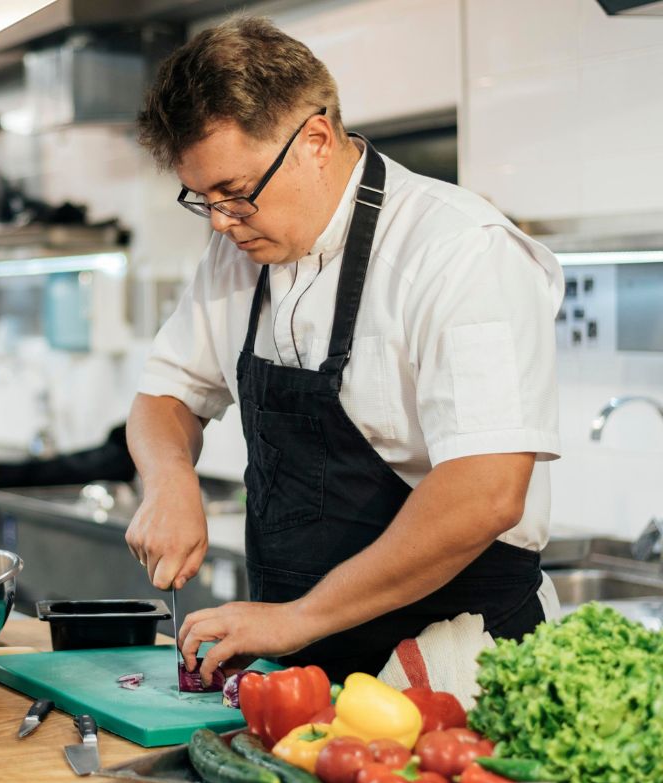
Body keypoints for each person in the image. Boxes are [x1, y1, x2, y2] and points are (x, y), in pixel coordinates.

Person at [126, 16, 563, 683]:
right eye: (203, 198)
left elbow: (486, 492)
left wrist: (298, 617)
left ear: (316, 141)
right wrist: (169, 480)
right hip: (302, 669)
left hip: (458, 663)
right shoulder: (237, 255)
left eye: (235, 193)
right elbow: (166, 394)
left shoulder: (458, 250)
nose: (219, 222)